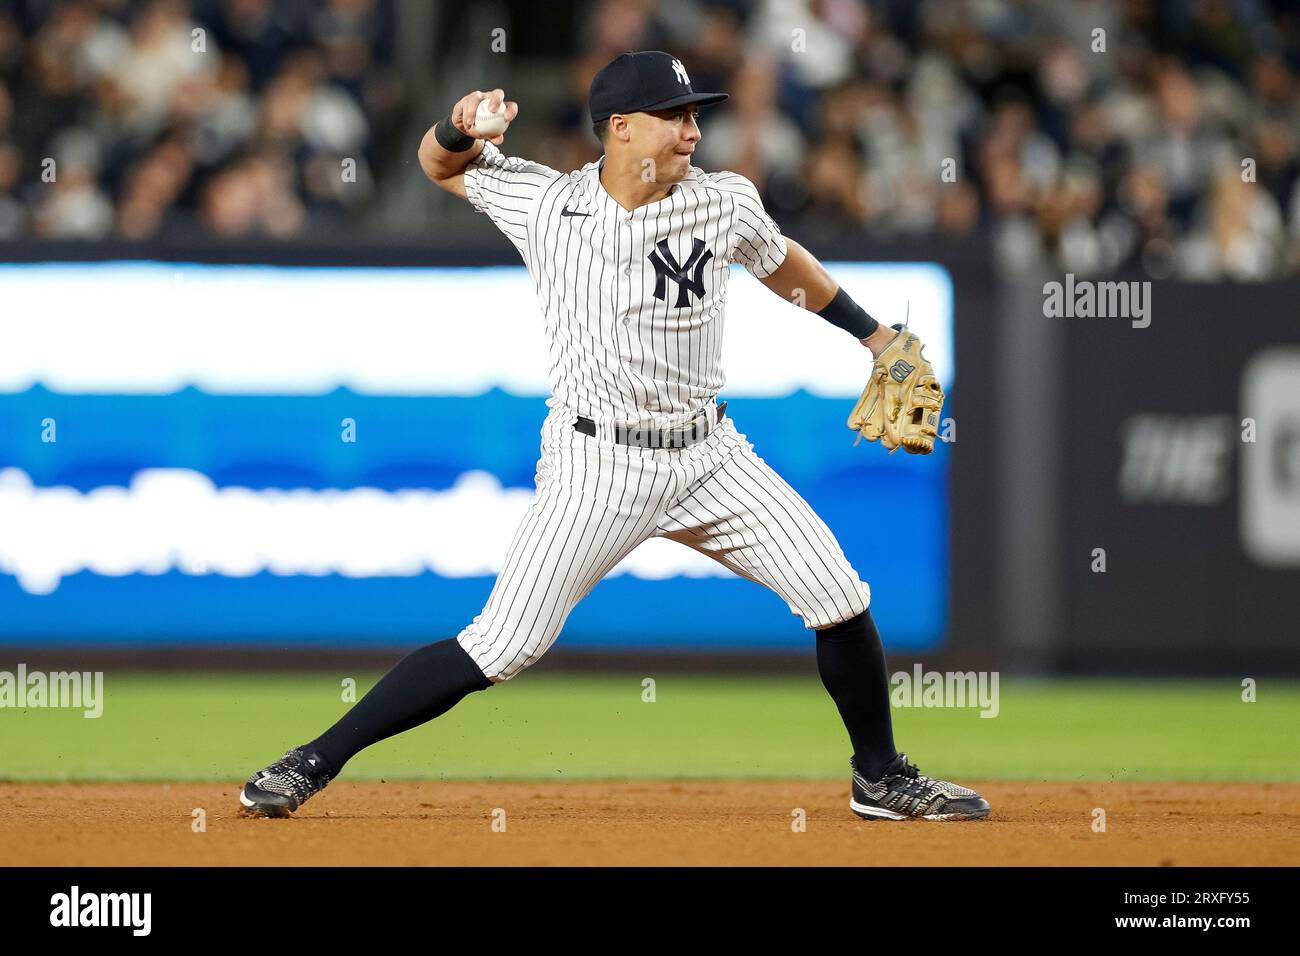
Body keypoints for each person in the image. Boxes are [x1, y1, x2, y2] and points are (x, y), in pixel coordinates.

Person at [239, 51, 989, 823]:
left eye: (697, 114)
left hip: (710, 456)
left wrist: (873, 337)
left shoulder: (724, 202)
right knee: (501, 646)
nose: (695, 130)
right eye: (677, 115)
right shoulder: (544, 202)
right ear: (622, 129)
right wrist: (456, 124)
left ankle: (881, 777)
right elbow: (437, 164)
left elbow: (782, 265)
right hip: (597, 461)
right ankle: (310, 762)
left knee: (839, 595)